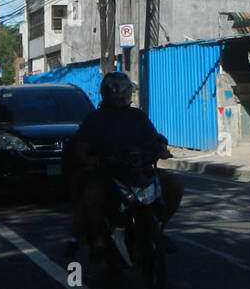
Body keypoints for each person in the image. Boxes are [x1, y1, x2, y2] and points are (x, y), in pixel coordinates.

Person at [64, 71, 182, 259]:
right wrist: (91, 160)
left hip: (139, 171)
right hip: (108, 173)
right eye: (116, 93)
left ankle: (159, 228)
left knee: (174, 184)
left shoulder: (138, 116)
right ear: (106, 94)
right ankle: (98, 240)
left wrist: (160, 149)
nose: (120, 97)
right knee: (92, 195)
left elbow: (153, 139)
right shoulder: (95, 119)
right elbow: (82, 148)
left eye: (124, 92)